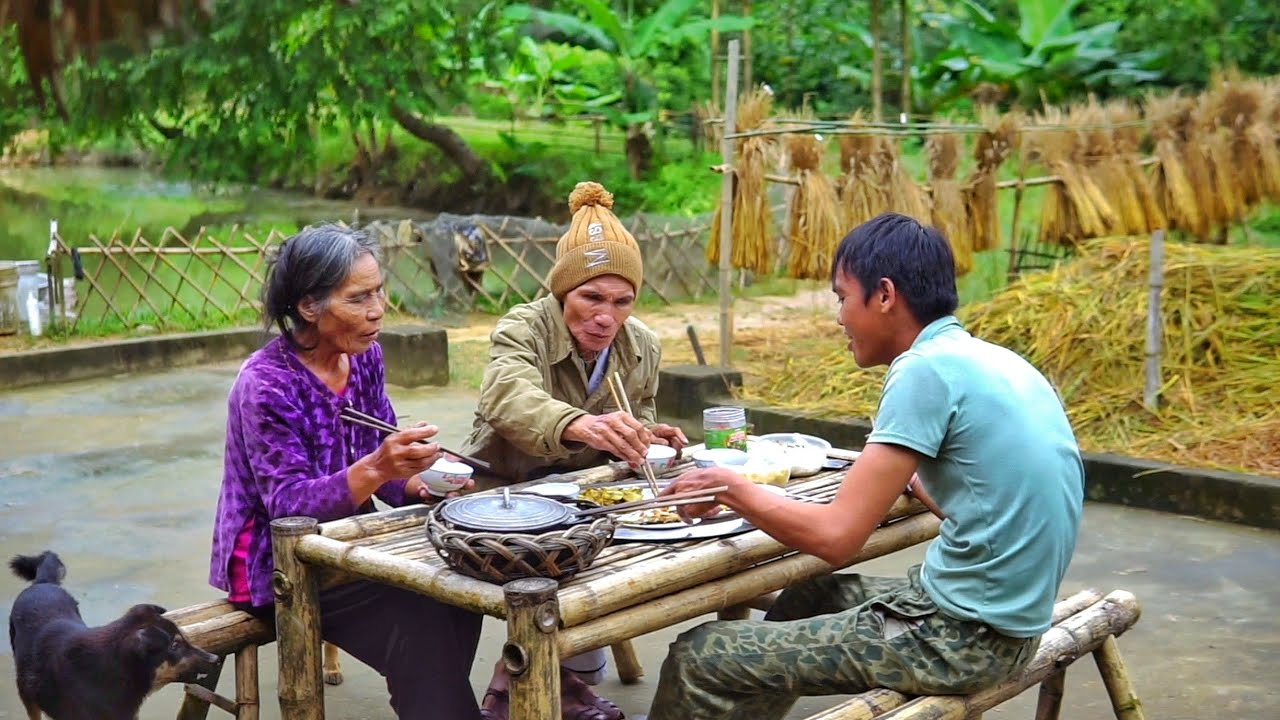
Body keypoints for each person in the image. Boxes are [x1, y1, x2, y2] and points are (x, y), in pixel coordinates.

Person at [641, 212, 1084, 720]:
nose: (839, 317)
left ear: (885, 295)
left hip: (959, 641)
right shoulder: (993, 361)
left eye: (841, 297)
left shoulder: (923, 370)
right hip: (1008, 622)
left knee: (700, 653)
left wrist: (729, 486)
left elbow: (837, 538)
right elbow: (989, 494)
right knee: (811, 592)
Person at [209, 223, 483, 719]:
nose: (377, 309)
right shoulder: (266, 384)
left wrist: (419, 479)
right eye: (358, 298)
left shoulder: (365, 357)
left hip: (350, 545)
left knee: (460, 600)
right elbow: (288, 509)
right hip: (276, 566)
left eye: (378, 291)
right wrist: (380, 466)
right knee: (421, 630)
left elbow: (381, 448)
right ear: (309, 307)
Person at [462, 181, 688, 720]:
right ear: (564, 293)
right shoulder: (524, 327)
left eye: (622, 301)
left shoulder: (641, 346)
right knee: (567, 559)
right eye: (591, 298)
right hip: (503, 491)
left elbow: (642, 412)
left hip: (588, 495)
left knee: (650, 549)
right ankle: (524, 683)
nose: (606, 318)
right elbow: (507, 396)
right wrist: (582, 426)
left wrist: (645, 437)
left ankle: (562, 682)